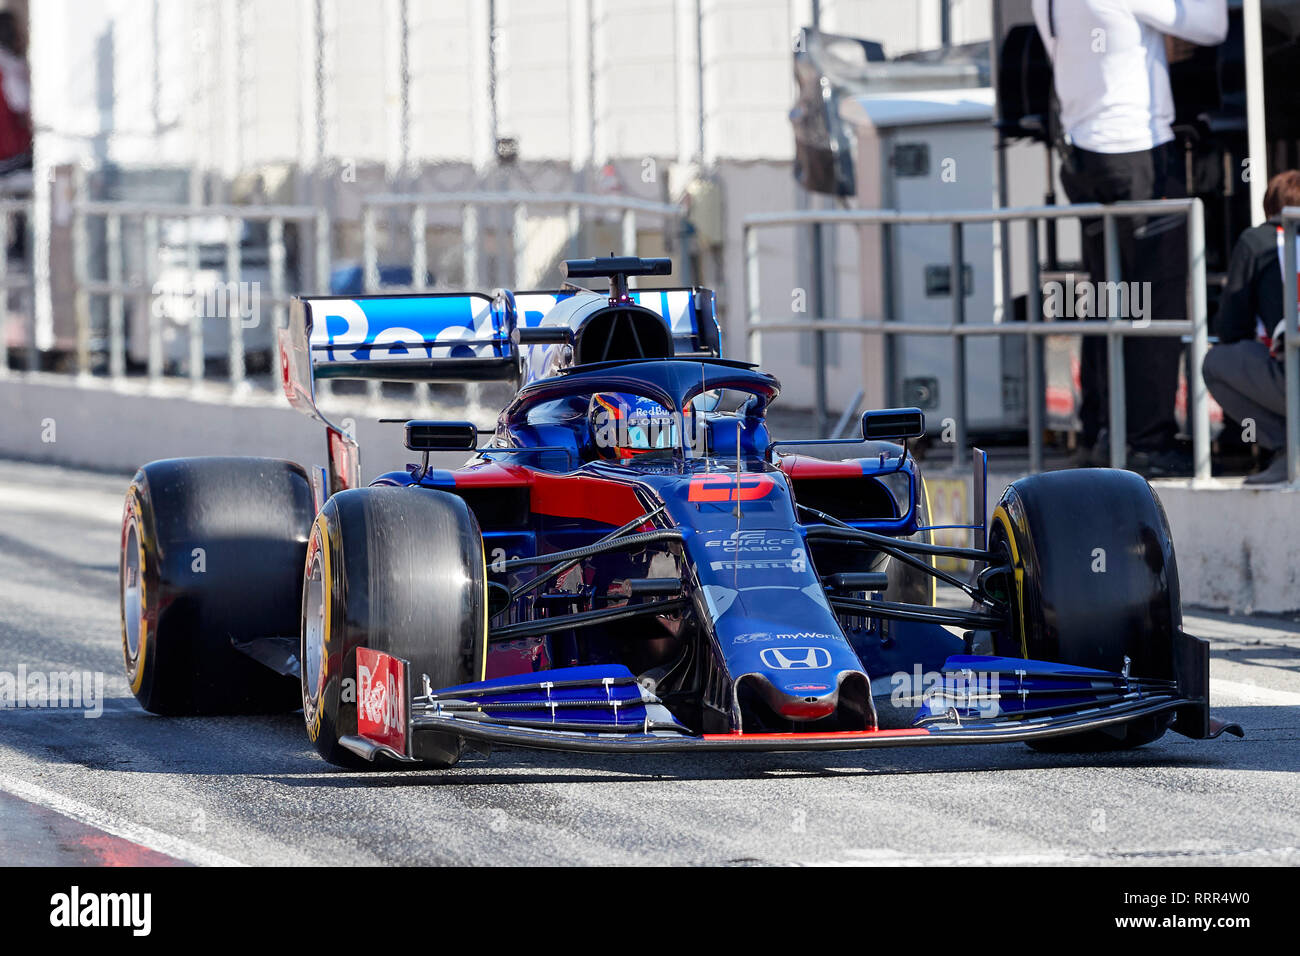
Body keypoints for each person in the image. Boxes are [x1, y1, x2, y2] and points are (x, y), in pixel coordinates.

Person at [1032, 0, 1228, 476]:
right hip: (1136, 153)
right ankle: (1147, 441)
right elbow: (1214, 25)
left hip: (1083, 154)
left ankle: (1101, 430)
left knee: (1107, 297)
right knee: (1155, 300)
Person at [1202, 170, 1300, 485]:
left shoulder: (1258, 240)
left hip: (1292, 375)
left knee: (1215, 363)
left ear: (1270, 208)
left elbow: (1231, 327)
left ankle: (1291, 449)